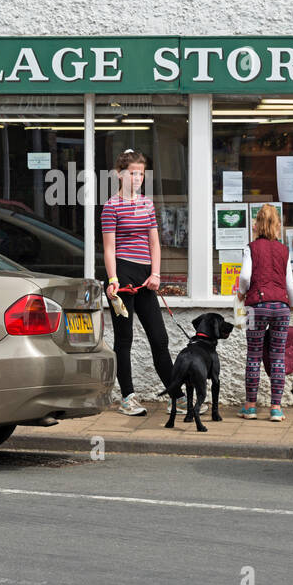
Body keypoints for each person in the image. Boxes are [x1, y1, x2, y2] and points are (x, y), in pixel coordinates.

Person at [102, 149, 175, 416]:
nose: (137, 179)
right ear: (119, 174)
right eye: (132, 173)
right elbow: (109, 248)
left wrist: (156, 274)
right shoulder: (111, 206)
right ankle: (128, 397)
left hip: (146, 275)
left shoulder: (147, 204)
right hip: (122, 274)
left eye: (141, 174)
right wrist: (112, 280)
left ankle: (175, 396)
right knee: (125, 339)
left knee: (159, 337)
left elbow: (154, 242)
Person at [236, 204, 293, 422]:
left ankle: (250, 407)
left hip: (257, 305)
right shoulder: (284, 250)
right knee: (277, 357)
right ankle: (275, 408)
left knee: (254, 355)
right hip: (280, 308)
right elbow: (289, 283)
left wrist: (242, 293)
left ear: (257, 225)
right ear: (277, 225)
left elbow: (245, 277)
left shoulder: (251, 248)